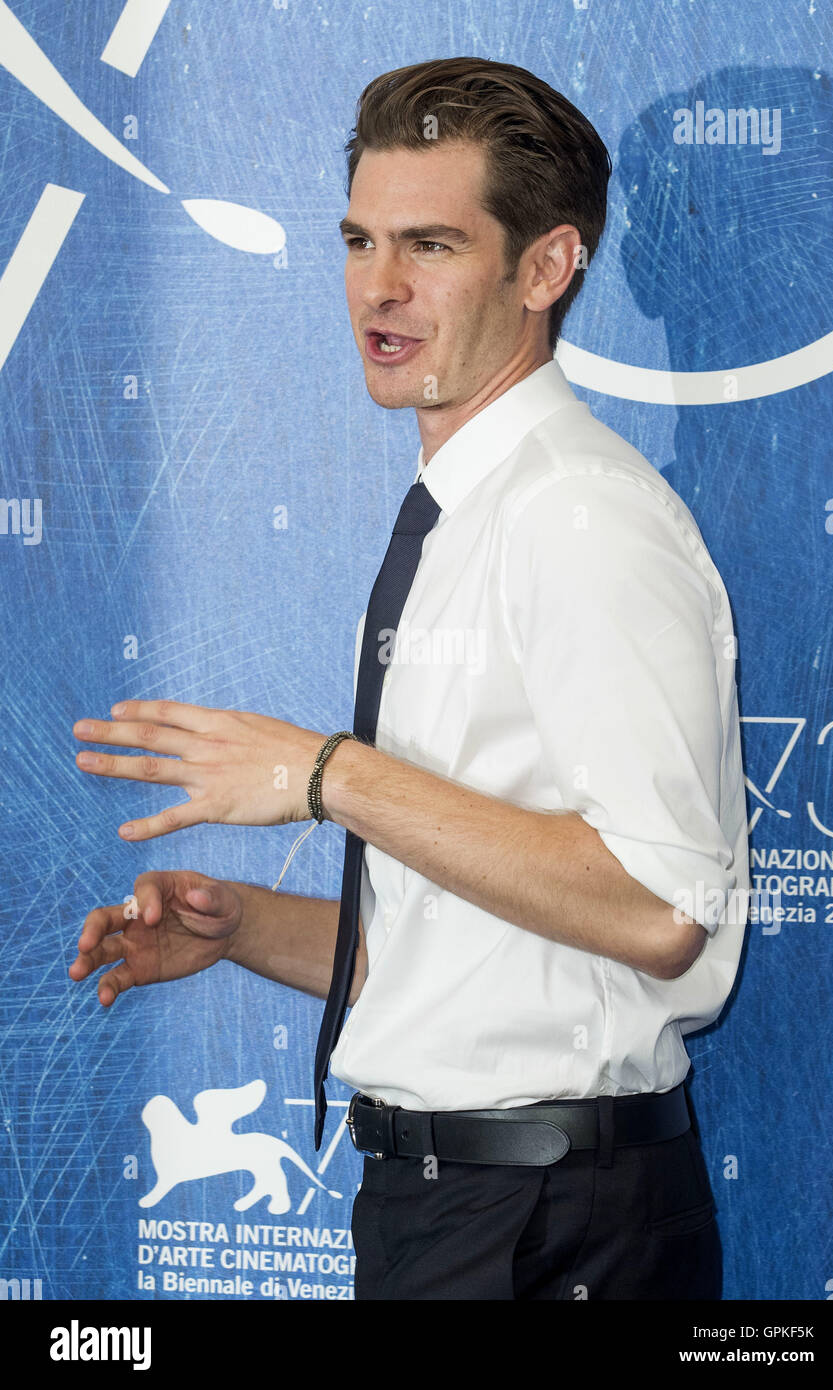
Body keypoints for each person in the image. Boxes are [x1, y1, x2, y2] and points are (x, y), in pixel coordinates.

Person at [70, 57, 749, 1301]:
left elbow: (658, 910)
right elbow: (495, 956)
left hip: (550, 1226)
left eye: (430, 244)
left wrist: (327, 776)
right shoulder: (457, 515)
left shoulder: (582, 519)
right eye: (359, 239)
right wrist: (245, 930)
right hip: (445, 1209)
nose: (378, 289)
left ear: (544, 269)